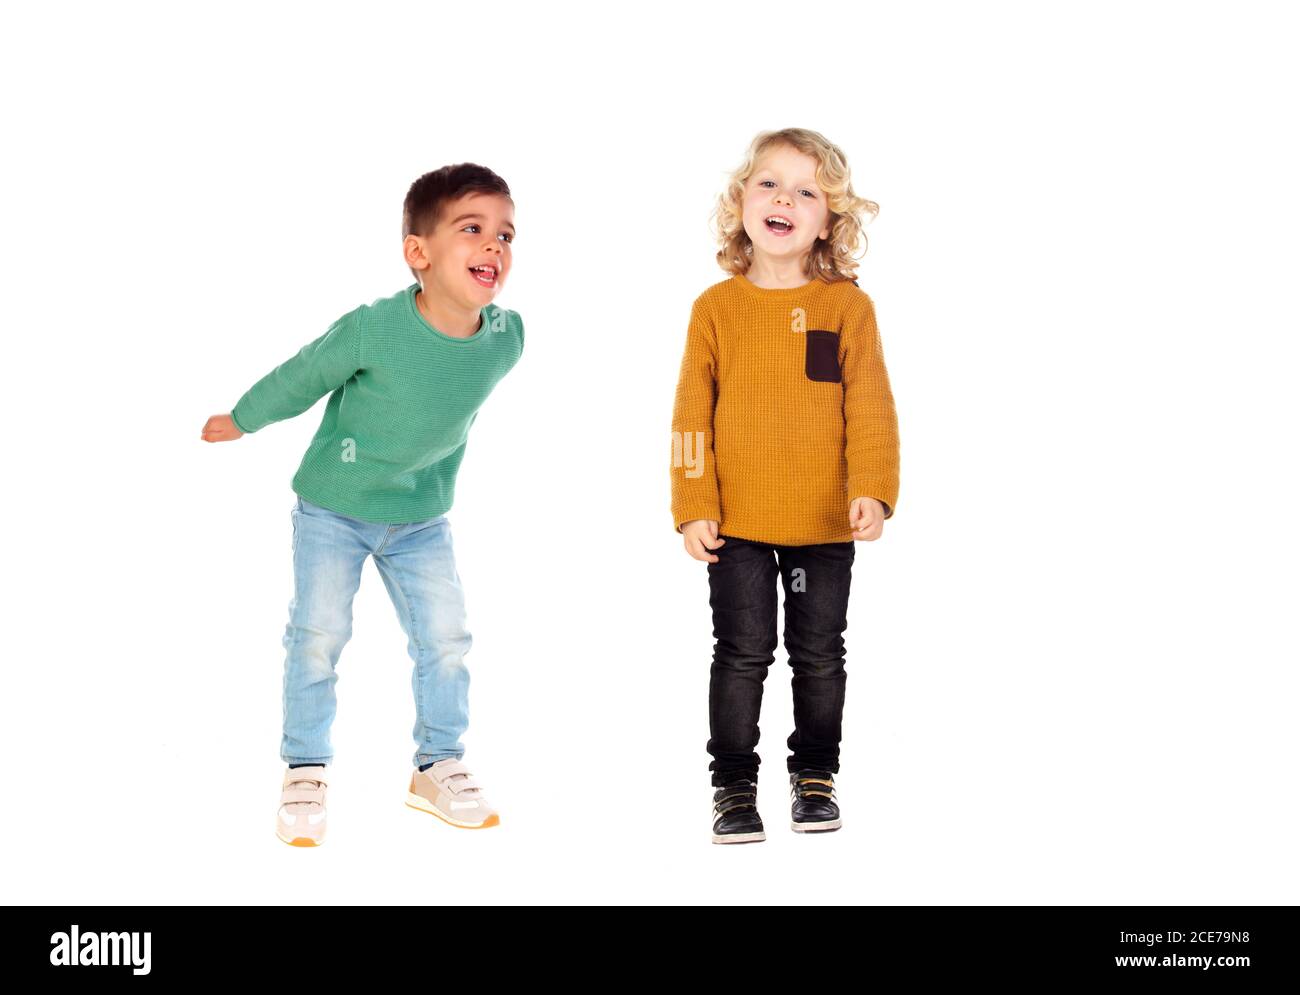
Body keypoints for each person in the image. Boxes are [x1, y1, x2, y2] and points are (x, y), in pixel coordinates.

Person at [201, 163, 524, 846]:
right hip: (334, 508)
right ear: (419, 253)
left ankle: (438, 763)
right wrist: (243, 417)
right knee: (317, 638)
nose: (494, 246)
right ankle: (306, 767)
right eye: (473, 230)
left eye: (506, 234)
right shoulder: (372, 329)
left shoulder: (505, 337)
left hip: (422, 519)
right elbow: (305, 373)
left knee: (446, 638)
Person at [670, 128, 900, 844]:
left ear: (826, 221)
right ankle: (734, 787)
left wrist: (875, 488)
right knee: (741, 652)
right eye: (769, 183)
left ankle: (815, 776)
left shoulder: (846, 309)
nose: (784, 199)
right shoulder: (715, 308)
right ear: (742, 200)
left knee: (819, 653)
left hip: (825, 524)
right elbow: (689, 417)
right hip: (735, 523)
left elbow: (869, 407)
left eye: (806, 192)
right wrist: (692, 506)